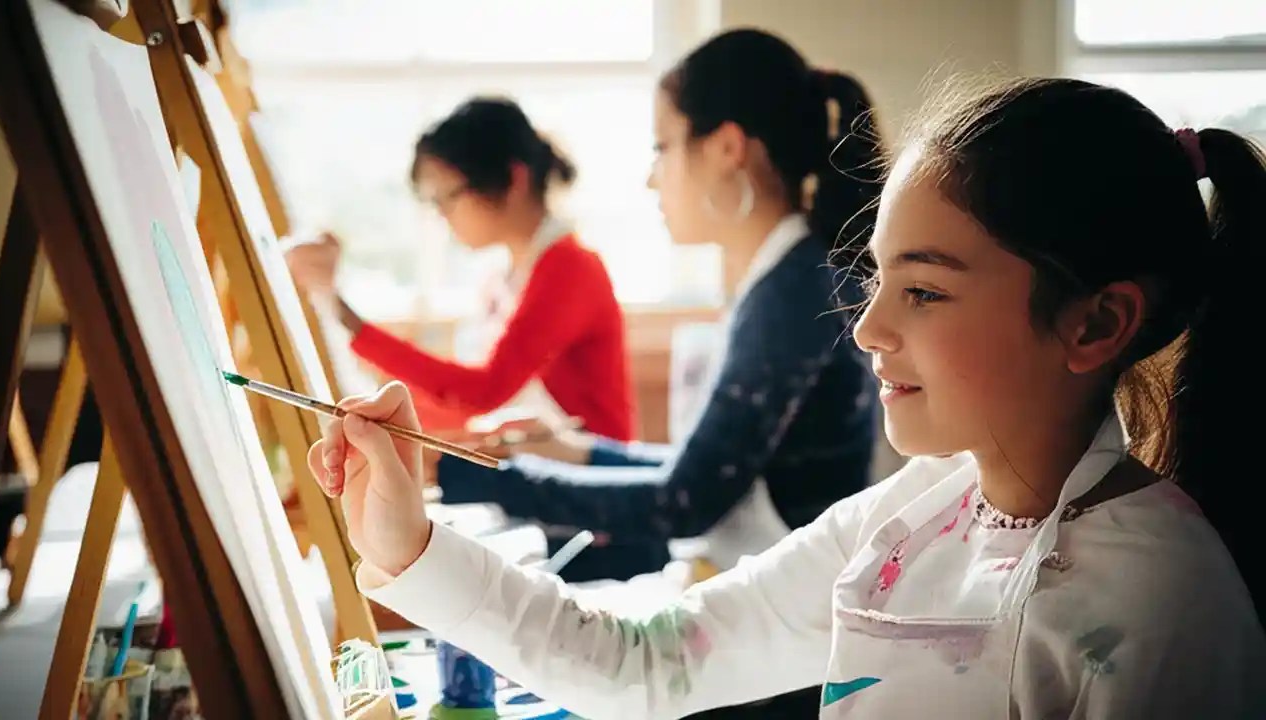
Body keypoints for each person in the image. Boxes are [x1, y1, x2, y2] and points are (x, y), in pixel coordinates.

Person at [309, 75, 1266, 718]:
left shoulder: (1162, 599)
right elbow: (650, 659)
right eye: (878, 280)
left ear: (1094, 325)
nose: (868, 328)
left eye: (924, 291)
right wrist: (406, 544)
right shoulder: (911, 515)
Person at [428, 29, 884, 600]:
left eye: (662, 147)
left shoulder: (793, 293)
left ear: (726, 148)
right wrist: (580, 453)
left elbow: (684, 501)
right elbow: (707, 471)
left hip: (793, 629)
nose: (651, 177)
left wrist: (462, 472)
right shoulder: (786, 280)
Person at [285, 97, 635, 442]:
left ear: (513, 180)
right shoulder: (507, 275)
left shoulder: (569, 269)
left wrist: (347, 318)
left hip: (594, 481)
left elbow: (482, 392)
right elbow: (468, 405)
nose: (441, 215)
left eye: (447, 198)